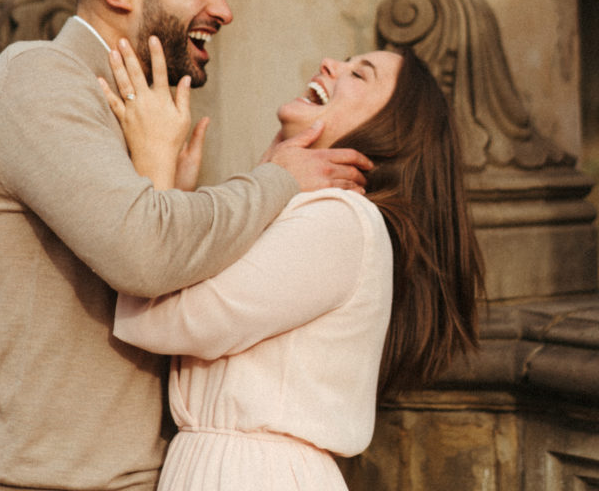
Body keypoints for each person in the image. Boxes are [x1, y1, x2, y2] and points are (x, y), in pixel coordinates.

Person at [0, 0, 373, 491]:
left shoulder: (135, 111)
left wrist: (172, 197)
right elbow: (146, 254)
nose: (224, 11)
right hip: (27, 480)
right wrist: (279, 179)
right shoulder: (38, 79)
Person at [107, 38, 485, 491]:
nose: (329, 63)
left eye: (359, 73)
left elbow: (163, 319)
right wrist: (204, 197)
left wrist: (154, 165)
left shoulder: (341, 222)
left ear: (389, 132)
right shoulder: (309, 214)